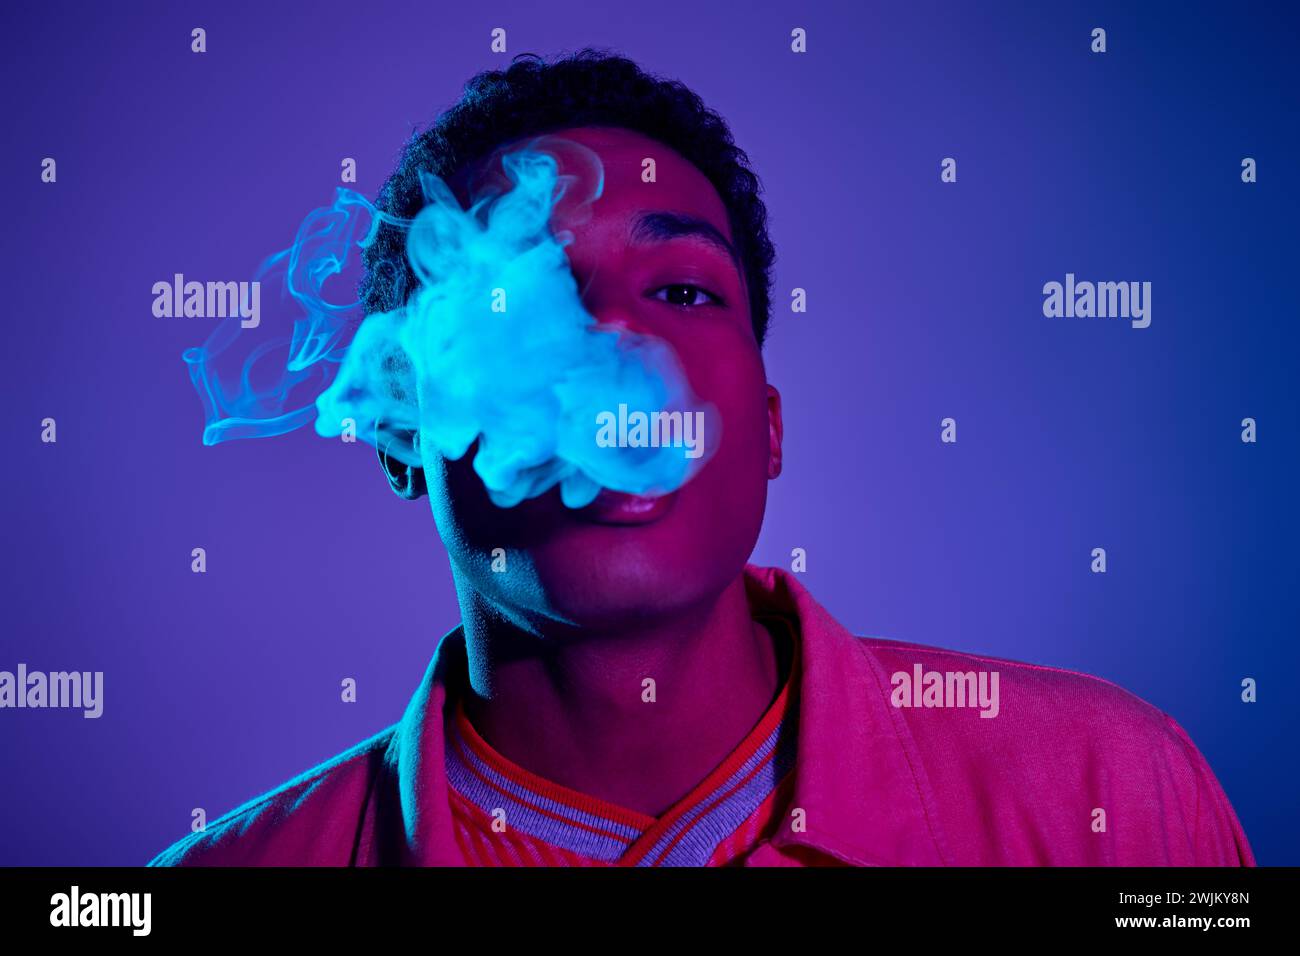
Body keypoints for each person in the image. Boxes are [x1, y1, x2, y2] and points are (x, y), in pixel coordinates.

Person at [150, 50, 1253, 867]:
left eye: (680, 291)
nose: (614, 353)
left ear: (769, 429)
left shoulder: (1114, 797)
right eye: (514, 298)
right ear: (399, 430)